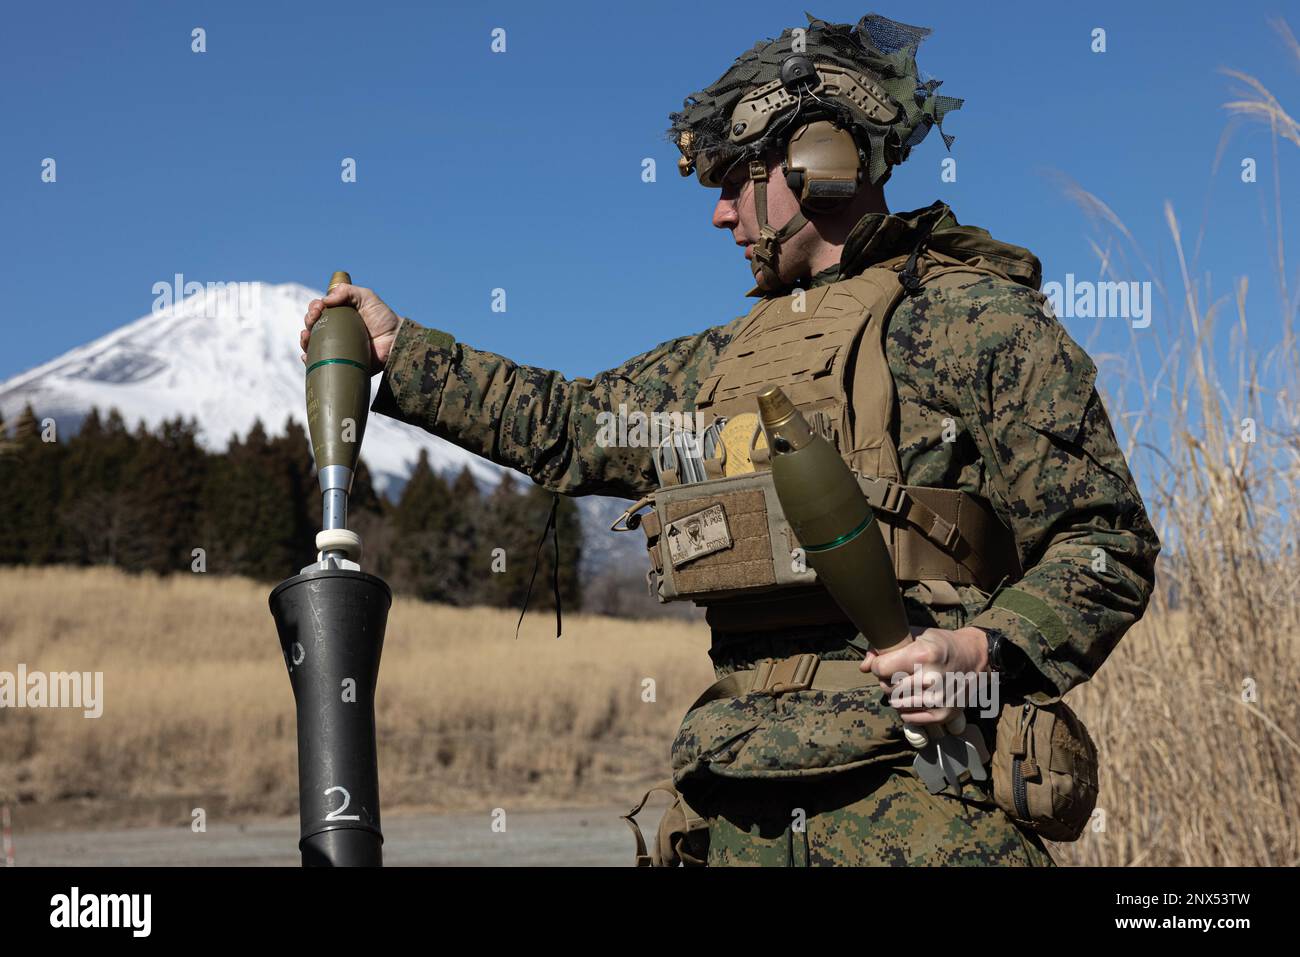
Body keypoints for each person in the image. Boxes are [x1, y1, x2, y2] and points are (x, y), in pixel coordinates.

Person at [300, 13, 1159, 866]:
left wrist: (977, 654)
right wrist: (400, 350)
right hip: (731, 804)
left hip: (922, 804)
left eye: (733, 179)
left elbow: (1104, 542)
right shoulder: (716, 367)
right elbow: (565, 425)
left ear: (817, 162)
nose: (718, 215)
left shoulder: (981, 324)